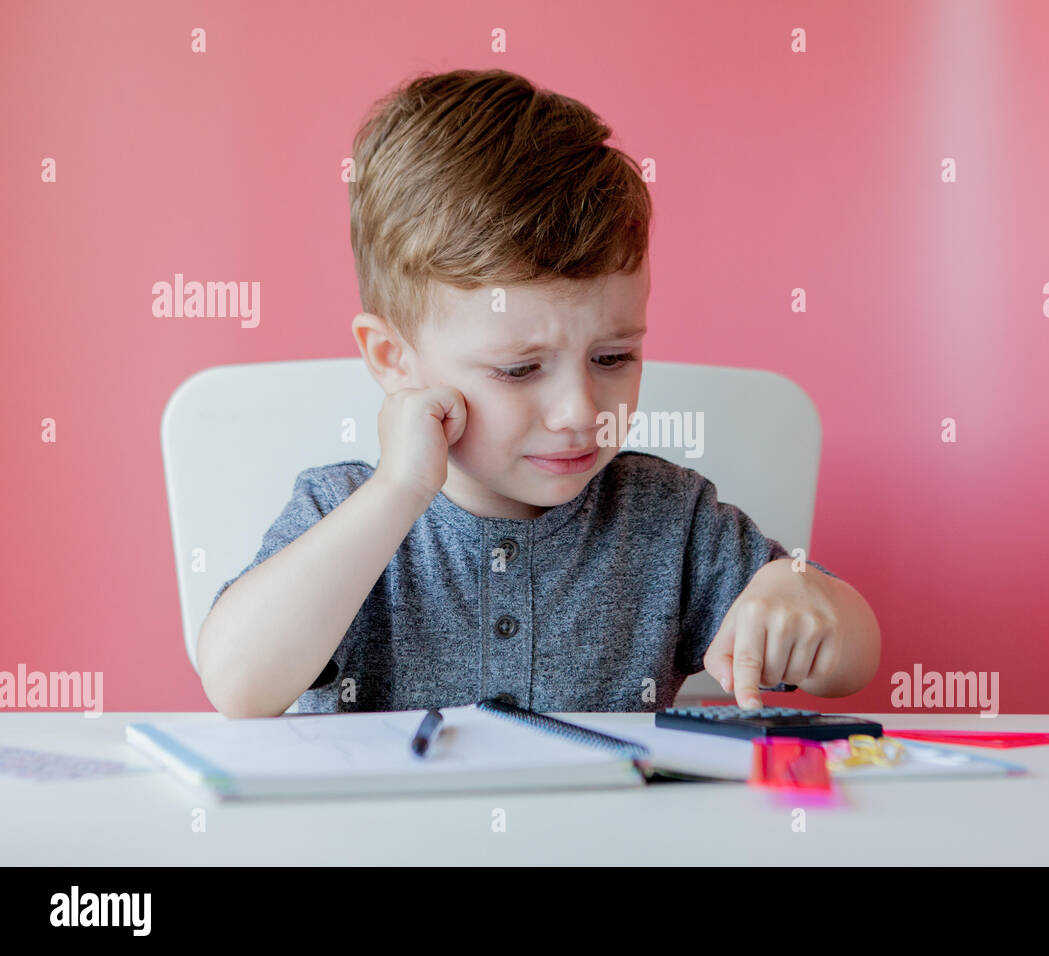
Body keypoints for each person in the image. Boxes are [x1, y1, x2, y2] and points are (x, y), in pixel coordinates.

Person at [196, 69, 881, 718]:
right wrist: (397, 492)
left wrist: (801, 598)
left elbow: (855, 655)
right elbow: (237, 684)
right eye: (520, 370)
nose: (581, 412)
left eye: (613, 357)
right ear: (393, 358)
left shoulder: (669, 520)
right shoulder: (340, 512)